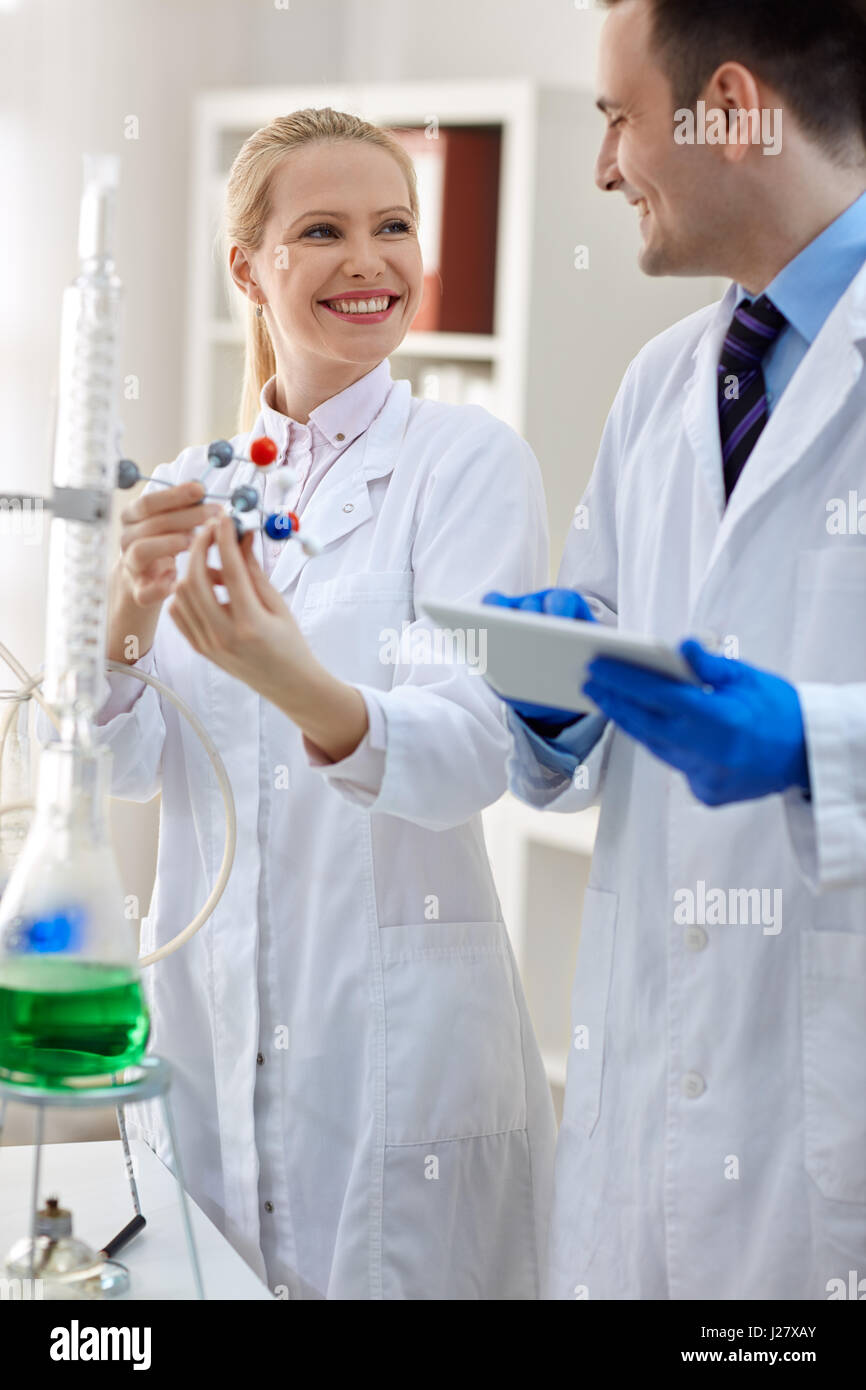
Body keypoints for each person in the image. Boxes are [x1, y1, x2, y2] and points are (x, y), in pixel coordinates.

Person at [95, 108, 556, 1299]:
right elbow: (131, 769)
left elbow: (476, 751)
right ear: (247, 266)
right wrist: (119, 620)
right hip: (203, 1017)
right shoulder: (193, 483)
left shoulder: (467, 462)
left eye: (394, 226)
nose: (371, 262)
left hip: (396, 1046)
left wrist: (282, 671)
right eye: (323, 230)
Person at [485, 0, 866, 1299]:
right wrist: (554, 697)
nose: (600, 167)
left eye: (615, 119)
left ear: (734, 111)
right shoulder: (662, 382)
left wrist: (816, 745)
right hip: (647, 1120)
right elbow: (597, 678)